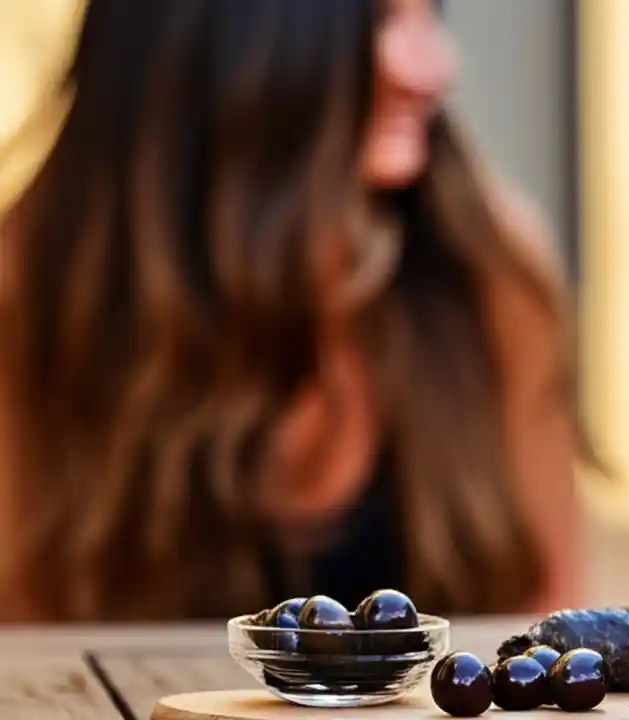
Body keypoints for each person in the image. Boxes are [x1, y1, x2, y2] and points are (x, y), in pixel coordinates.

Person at [0, 0, 581, 620]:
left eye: (428, 18)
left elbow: (551, 618)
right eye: (384, 22)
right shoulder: (34, 290)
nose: (436, 68)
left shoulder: (486, 269)